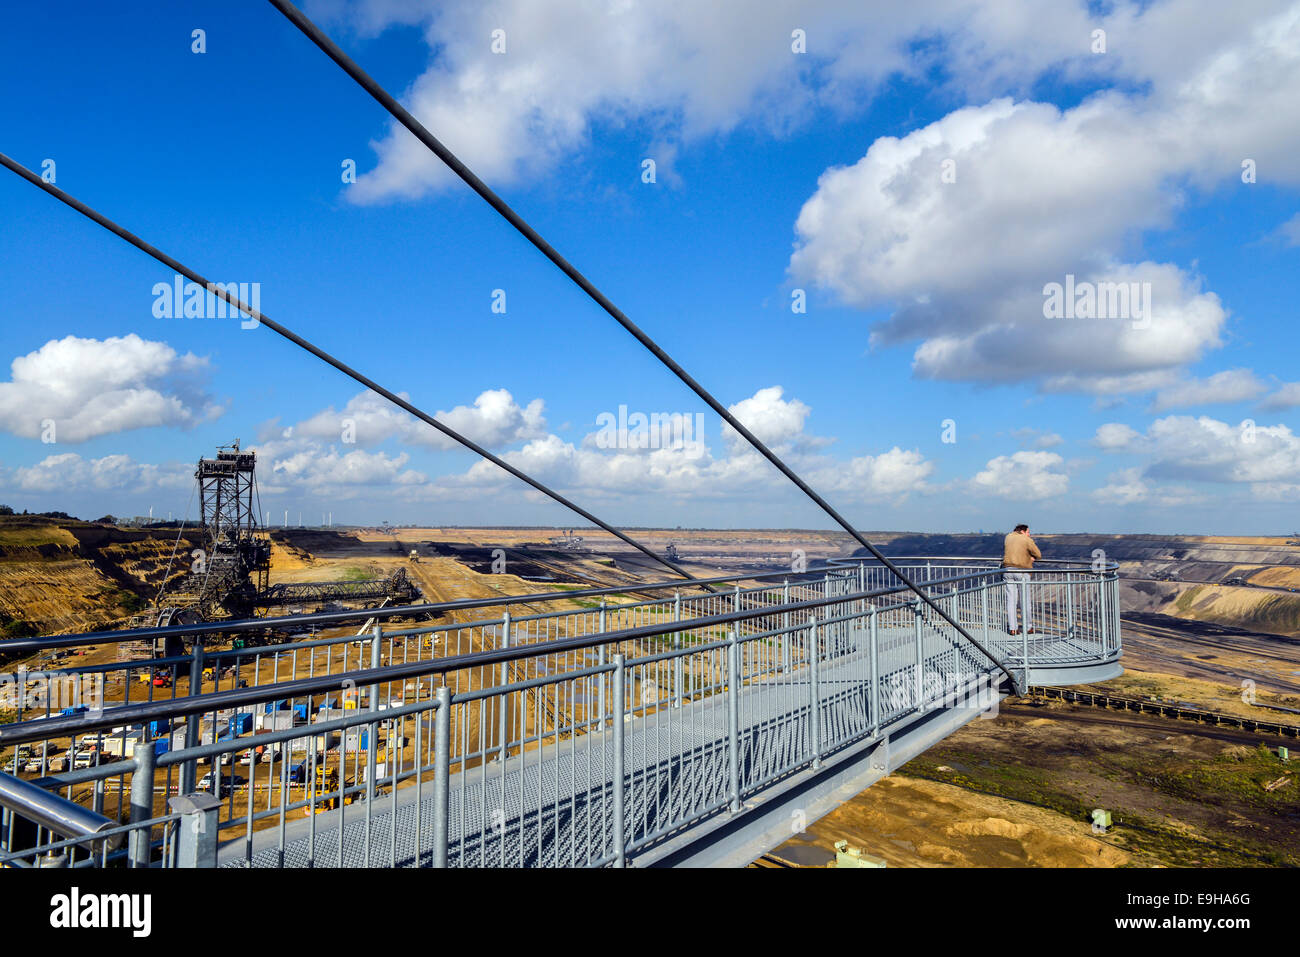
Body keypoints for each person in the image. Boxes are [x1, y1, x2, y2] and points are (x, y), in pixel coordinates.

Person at [1002, 524, 1041, 635]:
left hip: (1007, 570)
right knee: (1025, 601)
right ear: (1023, 531)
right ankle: (1028, 627)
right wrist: (1030, 558)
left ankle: (1013, 628)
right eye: (1028, 532)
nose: (1030, 534)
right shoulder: (1026, 539)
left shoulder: (1008, 537)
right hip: (1022, 571)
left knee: (1011, 601)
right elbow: (1038, 554)